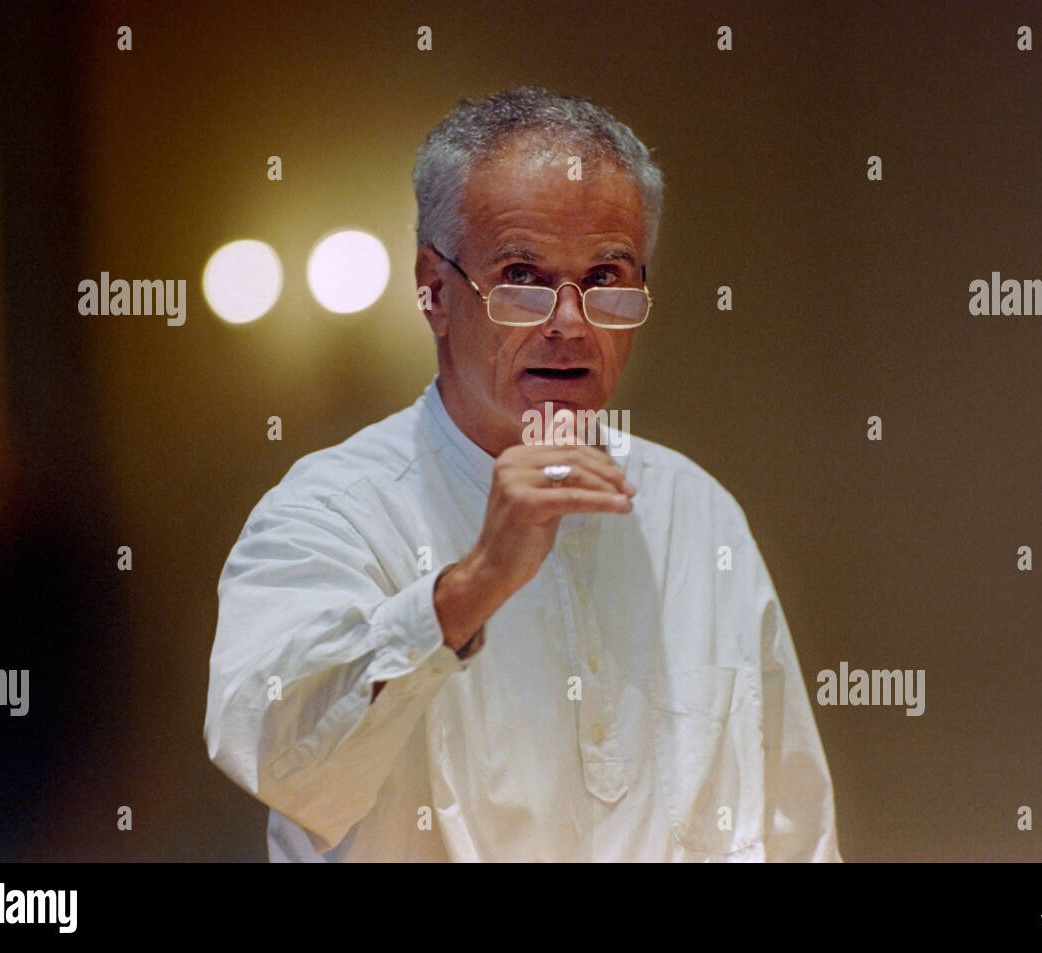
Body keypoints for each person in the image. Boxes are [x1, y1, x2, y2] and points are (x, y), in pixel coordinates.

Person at [203, 86, 842, 862]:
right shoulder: (332, 510)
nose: (569, 323)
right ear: (434, 292)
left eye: (606, 277)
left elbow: (791, 828)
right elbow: (285, 761)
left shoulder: (695, 513)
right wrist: (471, 587)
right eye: (523, 276)